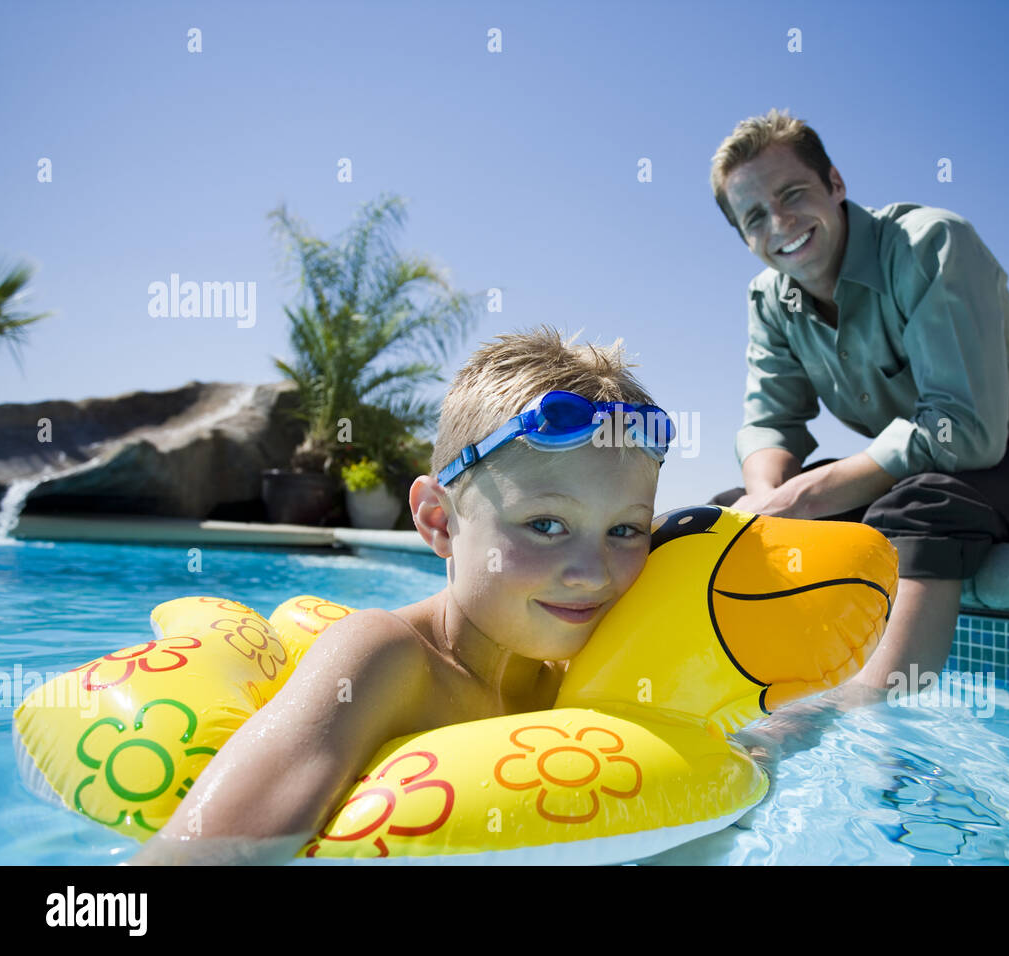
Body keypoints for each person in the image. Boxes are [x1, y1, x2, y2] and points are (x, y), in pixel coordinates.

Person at [128, 326, 669, 864]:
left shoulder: (589, 677)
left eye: (624, 530)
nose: (591, 574)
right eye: (546, 525)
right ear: (439, 521)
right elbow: (205, 854)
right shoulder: (385, 658)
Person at [707, 109, 1009, 700]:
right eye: (755, 216)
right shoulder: (768, 299)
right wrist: (766, 504)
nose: (780, 222)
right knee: (725, 517)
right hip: (910, 479)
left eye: (792, 194)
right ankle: (744, 696)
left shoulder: (931, 243)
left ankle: (865, 720)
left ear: (835, 184)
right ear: (744, 237)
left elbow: (963, 428)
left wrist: (802, 498)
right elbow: (771, 422)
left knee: (915, 508)